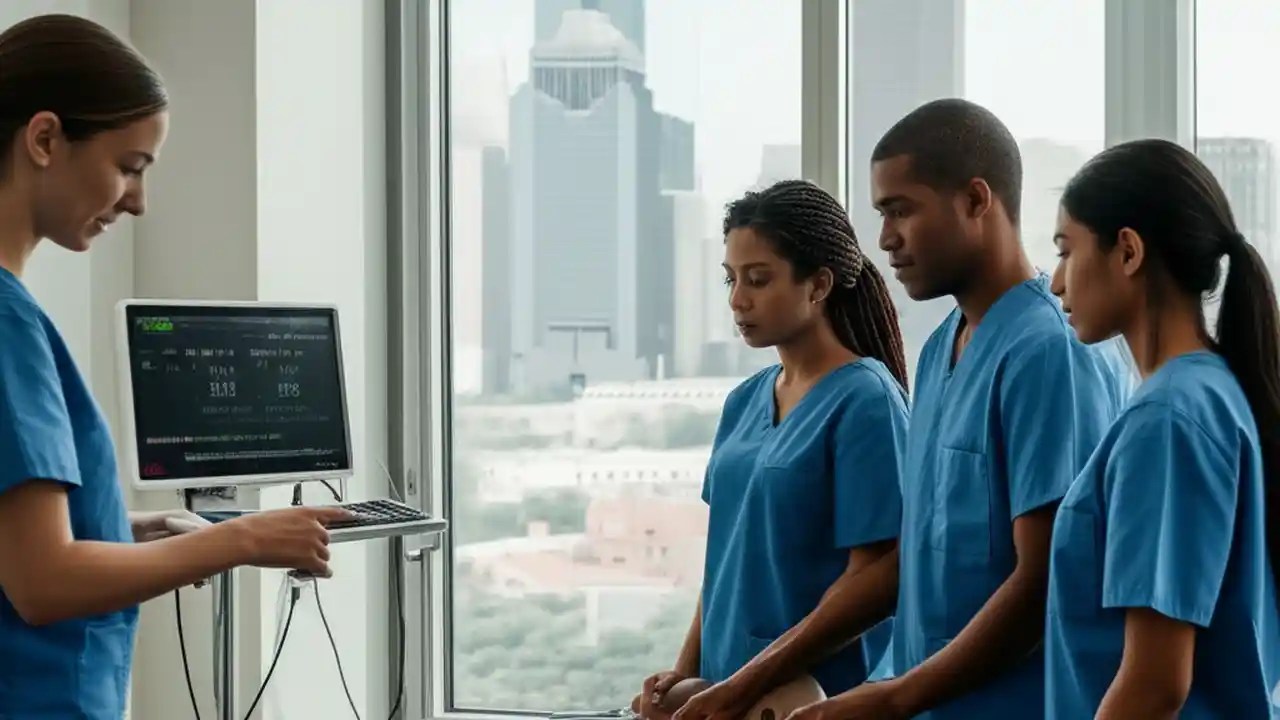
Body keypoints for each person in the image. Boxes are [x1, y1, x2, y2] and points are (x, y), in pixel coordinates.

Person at [0, 14, 351, 719]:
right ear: (45, 139)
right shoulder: (8, 324)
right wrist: (241, 539)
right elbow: (42, 582)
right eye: (128, 168)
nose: (137, 200)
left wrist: (125, 527)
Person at [787, 99, 1130, 720]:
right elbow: (916, 563)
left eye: (901, 210)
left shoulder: (1047, 352)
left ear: (977, 200)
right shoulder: (944, 345)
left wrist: (894, 698)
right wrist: (749, 678)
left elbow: (1044, 582)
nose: (885, 238)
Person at [631, 180, 910, 719]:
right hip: (727, 692)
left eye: (759, 280)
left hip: (816, 698)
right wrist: (687, 673)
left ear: (818, 285)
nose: (738, 299)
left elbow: (876, 576)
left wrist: (746, 681)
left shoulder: (866, 401)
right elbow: (723, 563)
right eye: (731, 279)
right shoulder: (744, 401)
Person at [1043, 138, 1280, 718]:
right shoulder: (1209, 390)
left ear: (1127, 252)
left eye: (1066, 251)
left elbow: (1154, 685)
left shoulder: (1169, 419)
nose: (1055, 282)